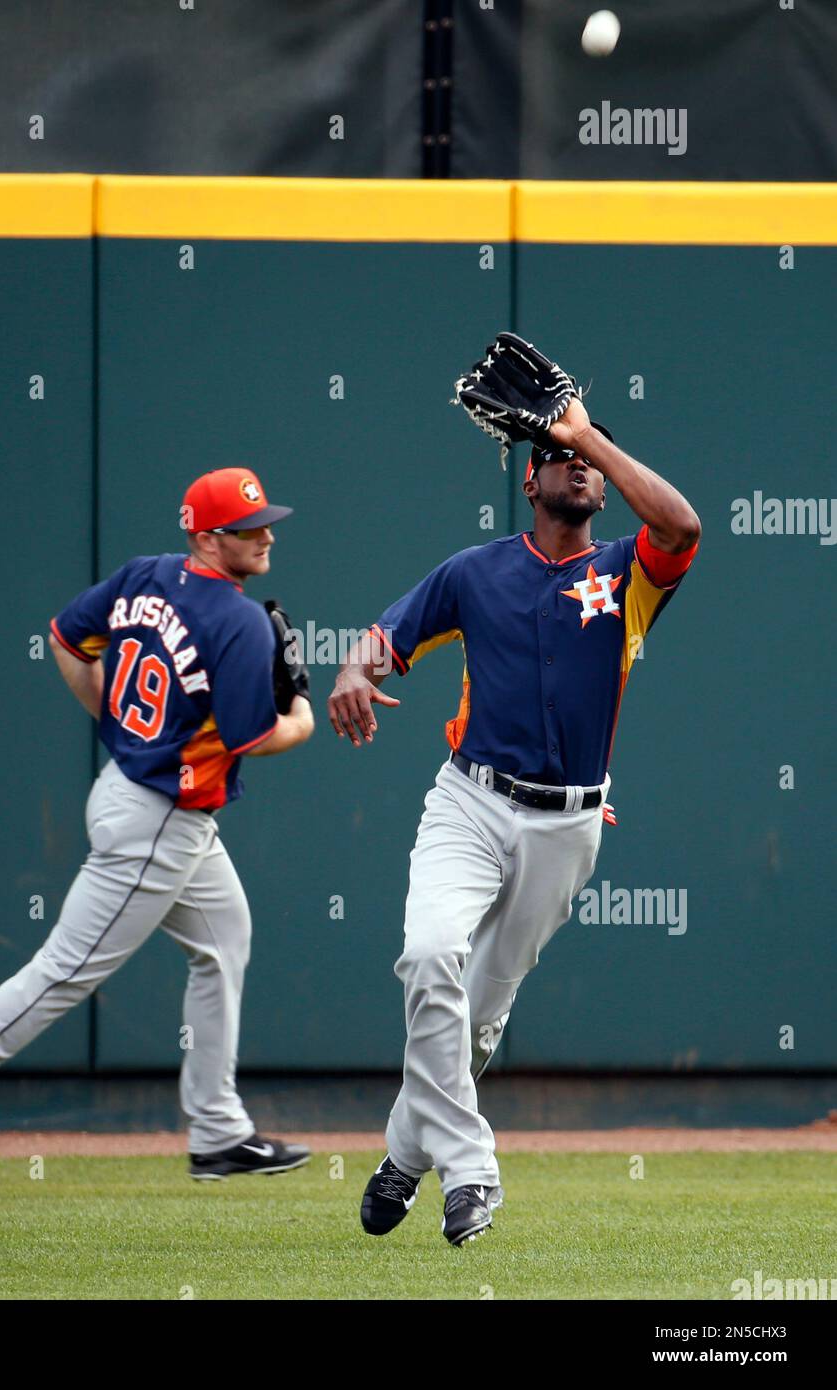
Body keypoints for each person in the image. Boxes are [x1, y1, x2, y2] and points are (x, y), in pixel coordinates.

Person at [0, 467, 315, 1195]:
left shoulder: (145, 575)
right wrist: (300, 714)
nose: (266, 534)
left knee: (223, 939)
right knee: (64, 971)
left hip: (136, 793)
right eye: (248, 527)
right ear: (207, 537)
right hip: (159, 821)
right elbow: (253, 736)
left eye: (267, 519)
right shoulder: (235, 619)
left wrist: (119, 730)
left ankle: (217, 1133)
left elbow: (65, 639)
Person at [327, 396, 701, 1245]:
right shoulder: (475, 571)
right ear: (528, 478)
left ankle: (404, 1155)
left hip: (566, 830)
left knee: (480, 1020)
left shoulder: (627, 572)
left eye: (587, 459)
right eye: (554, 453)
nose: (573, 462)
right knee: (429, 956)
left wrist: (588, 436)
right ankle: (471, 1173)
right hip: (470, 801)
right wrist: (354, 667)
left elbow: (681, 526)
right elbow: (386, 637)